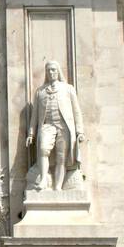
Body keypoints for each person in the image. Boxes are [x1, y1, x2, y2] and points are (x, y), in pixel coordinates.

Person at [25, 60, 85, 191]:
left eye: (54, 70)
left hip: (64, 127)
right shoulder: (40, 91)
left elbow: (76, 111)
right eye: (49, 70)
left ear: (58, 72)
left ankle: (58, 186)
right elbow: (34, 115)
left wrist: (80, 131)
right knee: (43, 149)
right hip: (47, 126)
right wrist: (31, 133)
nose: (51, 72)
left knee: (61, 158)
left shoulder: (68, 89)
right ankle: (42, 180)